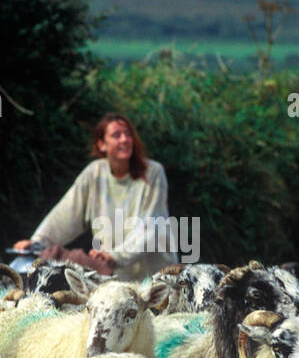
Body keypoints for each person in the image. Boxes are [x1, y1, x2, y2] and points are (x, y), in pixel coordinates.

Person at [13, 113, 178, 280]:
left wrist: (115, 256)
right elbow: (66, 213)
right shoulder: (94, 173)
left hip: (155, 278)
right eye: (116, 135)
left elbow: (152, 226)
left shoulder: (154, 173)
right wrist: (37, 243)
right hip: (115, 280)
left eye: (128, 134)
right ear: (101, 144)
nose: (124, 139)